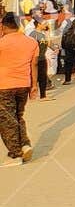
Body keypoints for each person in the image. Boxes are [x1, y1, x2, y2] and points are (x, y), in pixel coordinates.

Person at [0, 14, 38, 165]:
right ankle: (24, 144)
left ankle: (15, 154)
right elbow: (34, 65)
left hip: (4, 85)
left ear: (3, 26)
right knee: (17, 115)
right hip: (24, 83)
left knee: (6, 120)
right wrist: (34, 85)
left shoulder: (2, 43)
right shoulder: (31, 42)